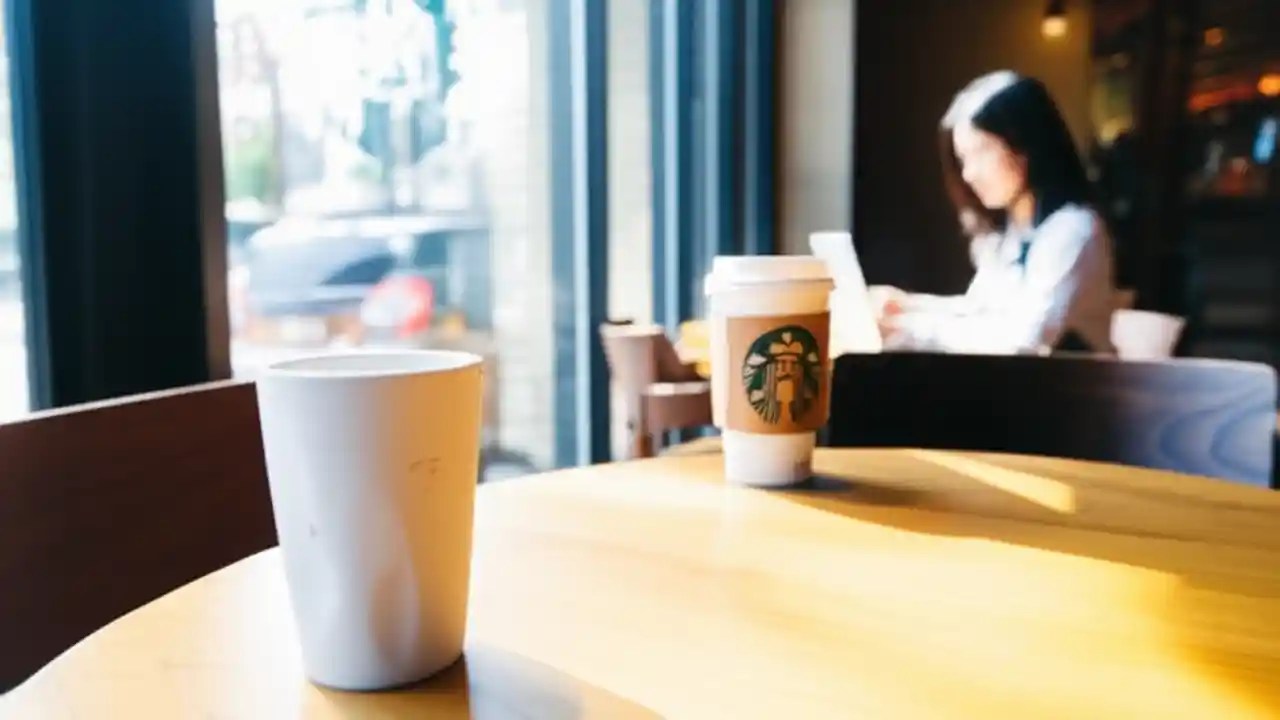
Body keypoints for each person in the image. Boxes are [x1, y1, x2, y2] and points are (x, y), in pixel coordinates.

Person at [875, 71, 1115, 354]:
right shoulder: (1015, 229)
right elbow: (981, 309)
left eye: (982, 152)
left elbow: (1023, 340)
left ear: (1025, 146)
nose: (969, 174)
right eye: (964, 159)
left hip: (1073, 394)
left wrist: (910, 326)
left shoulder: (1073, 230)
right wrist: (908, 305)